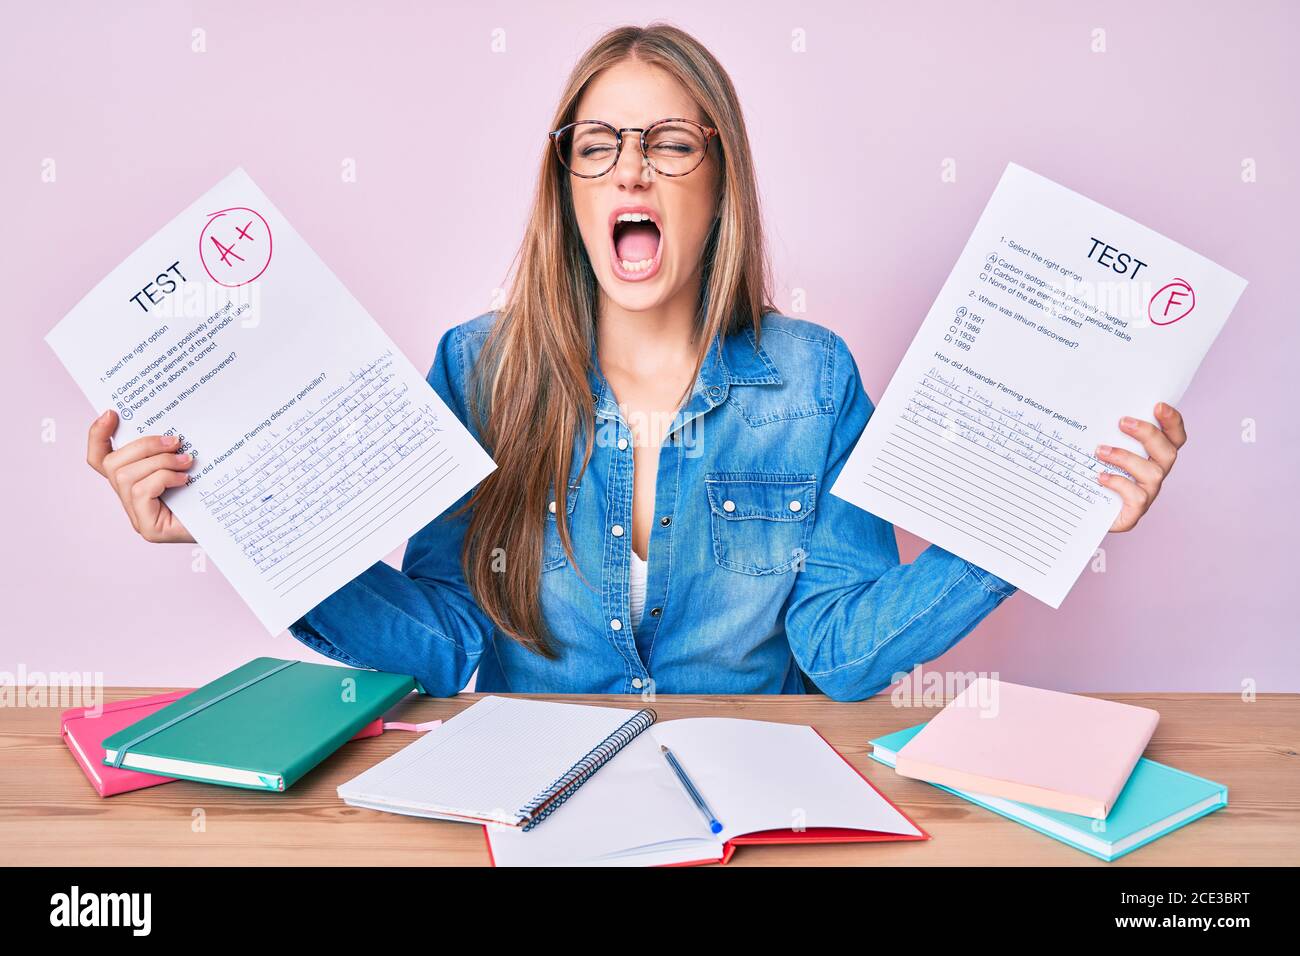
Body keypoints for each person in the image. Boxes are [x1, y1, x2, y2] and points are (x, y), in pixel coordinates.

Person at [84, 23, 1186, 700]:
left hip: (754, 809)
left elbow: (842, 651)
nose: (631, 173)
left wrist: (1049, 512)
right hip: (531, 804)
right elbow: (440, 644)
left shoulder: (812, 379)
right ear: (567, 184)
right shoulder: (479, 369)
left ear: (719, 178)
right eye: (598, 145)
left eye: (669, 142)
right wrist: (240, 524)